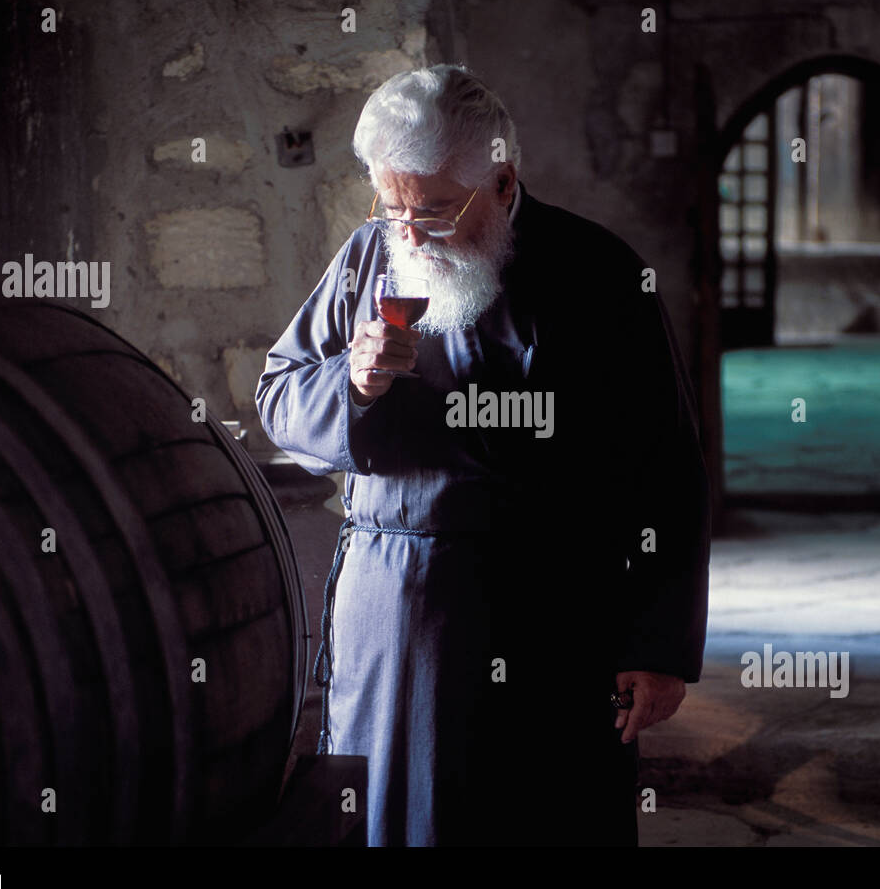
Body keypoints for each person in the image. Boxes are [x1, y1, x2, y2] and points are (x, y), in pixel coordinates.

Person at [256, 64, 709, 846]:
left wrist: (658, 646)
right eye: (390, 206)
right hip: (391, 615)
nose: (406, 235)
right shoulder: (367, 259)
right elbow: (278, 398)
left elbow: (664, 469)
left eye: (431, 212)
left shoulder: (600, 274)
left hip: (548, 614)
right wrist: (354, 386)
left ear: (501, 182)